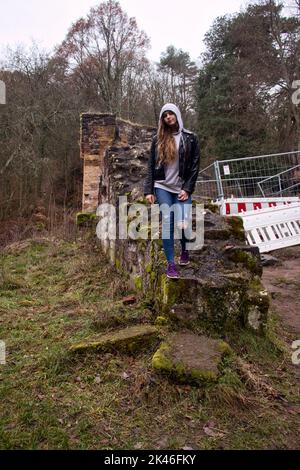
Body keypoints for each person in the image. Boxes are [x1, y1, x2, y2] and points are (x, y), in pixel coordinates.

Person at [144, 103, 200, 278]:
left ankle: (184, 249)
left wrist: (188, 189)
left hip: (181, 188)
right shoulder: (158, 139)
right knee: (168, 222)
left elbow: (194, 166)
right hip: (163, 187)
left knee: (182, 222)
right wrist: (149, 190)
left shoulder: (190, 138)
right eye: (165, 115)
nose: (168, 117)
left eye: (171, 113)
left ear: (176, 114)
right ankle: (171, 264)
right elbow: (151, 166)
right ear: (162, 119)